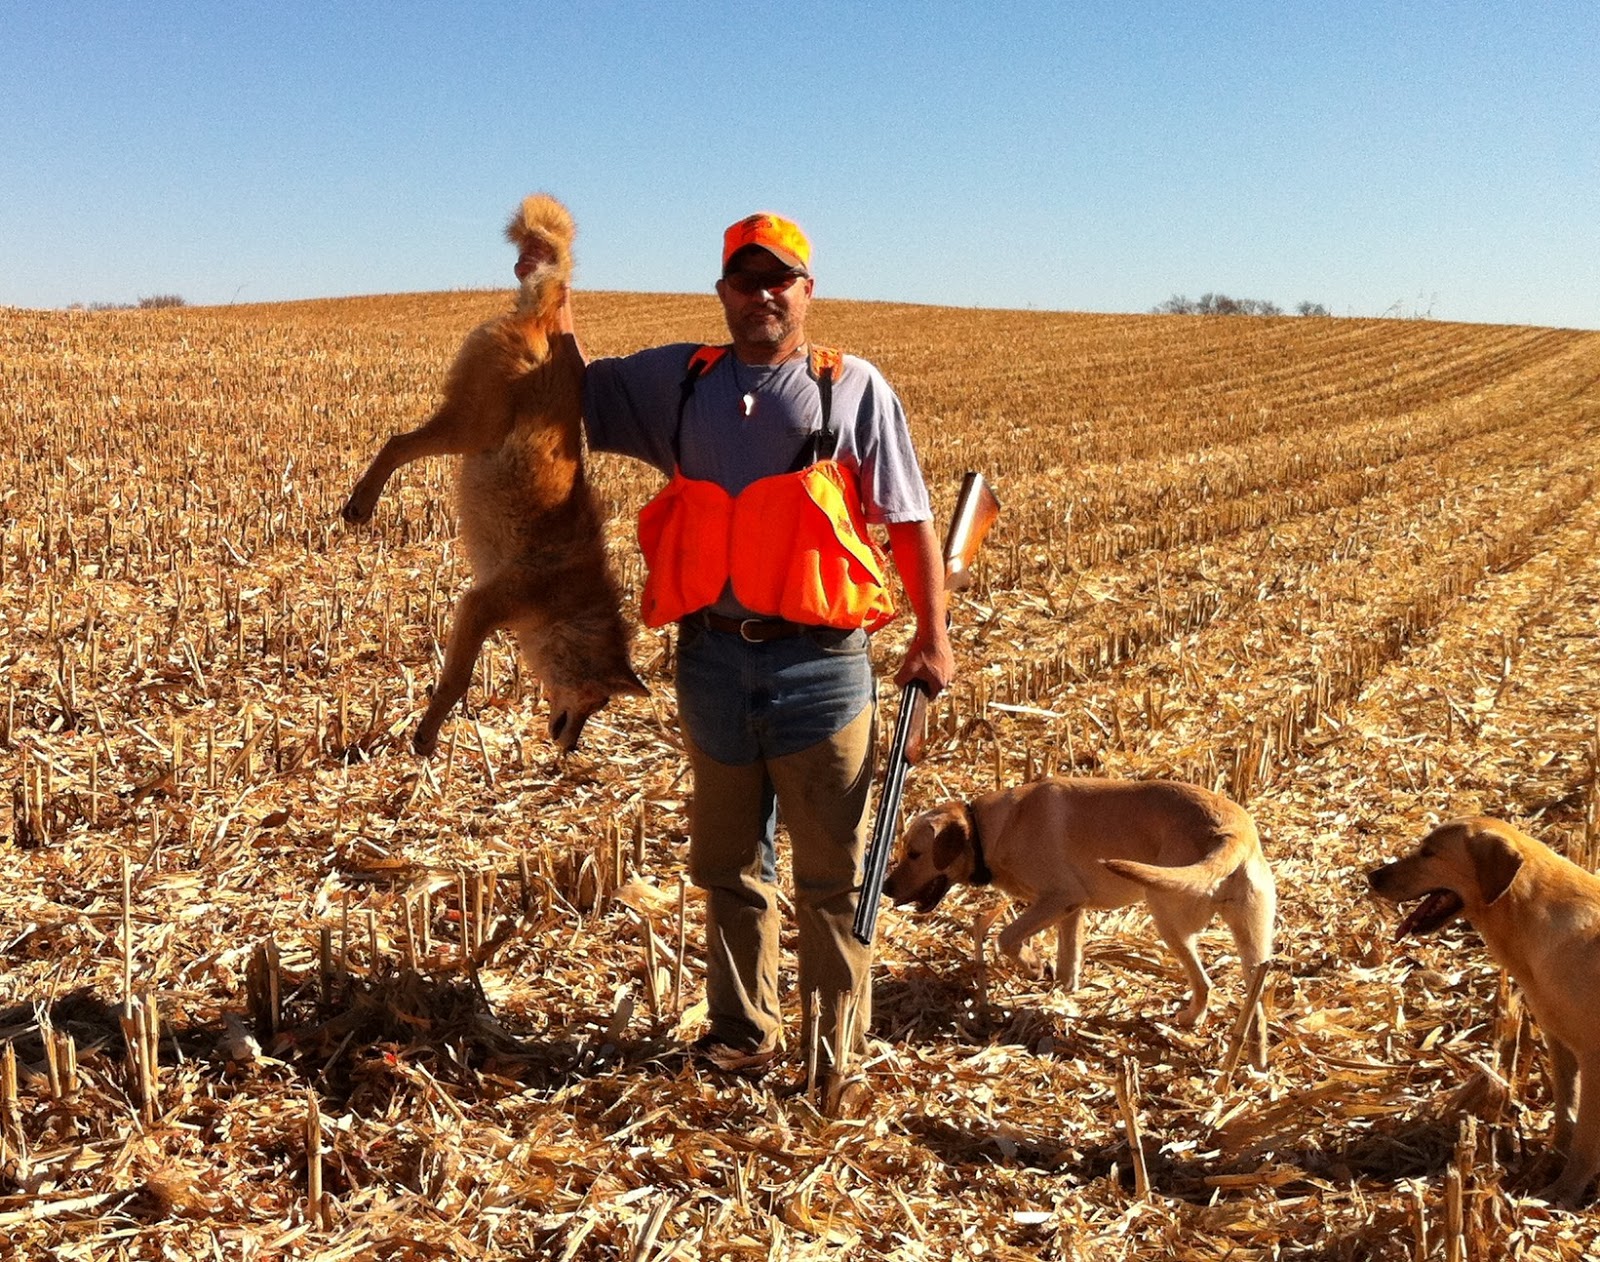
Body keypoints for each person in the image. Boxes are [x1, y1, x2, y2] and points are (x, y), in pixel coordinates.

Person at [545, 211, 952, 1073]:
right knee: (729, 866)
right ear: (722, 291)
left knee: (832, 877)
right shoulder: (680, 380)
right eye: (746, 279)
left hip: (822, 667)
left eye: (779, 280)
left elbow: (910, 520)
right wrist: (553, 288)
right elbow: (574, 388)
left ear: (808, 289)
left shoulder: (852, 387)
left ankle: (833, 1053)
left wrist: (933, 636)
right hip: (713, 660)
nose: (762, 295)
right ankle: (740, 1037)